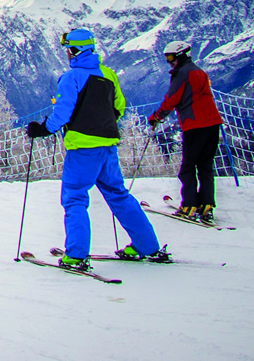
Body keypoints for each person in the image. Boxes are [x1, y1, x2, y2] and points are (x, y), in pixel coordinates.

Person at [27, 29, 166, 268]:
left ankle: (76, 255)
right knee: (118, 194)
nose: (67, 54)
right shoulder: (108, 74)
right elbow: (119, 108)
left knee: (75, 198)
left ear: (74, 50)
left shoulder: (71, 77)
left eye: (68, 49)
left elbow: (63, 112)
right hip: (108, 146)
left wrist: (43, 129)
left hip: (82, 148)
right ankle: (147, 246)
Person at [148, 40, 224, 224]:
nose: (169, 62)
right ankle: (206, 205)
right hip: (212, 123)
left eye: (171, 57)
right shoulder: (199, 71)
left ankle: (189, 206)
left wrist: (157, 117)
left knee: (188, 167)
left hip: (195, 125)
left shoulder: (182, 73)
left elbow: (171, 99)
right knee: (205, 166)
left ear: (181, 55)